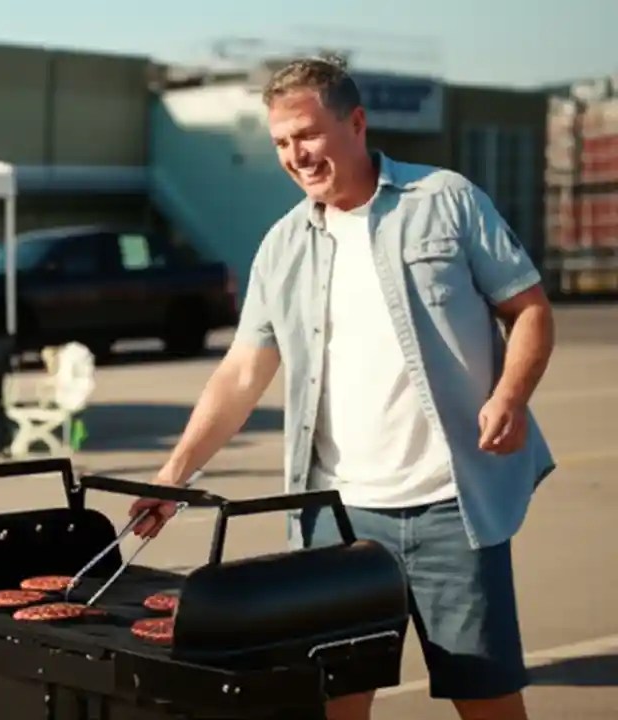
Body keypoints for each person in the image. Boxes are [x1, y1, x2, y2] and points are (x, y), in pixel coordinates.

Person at [128, 56, 555, 720]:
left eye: (308, 134)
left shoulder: (445, 200)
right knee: (333, 704)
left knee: (487, 702)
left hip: (451, 508)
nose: (295, 155)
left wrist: (510, 395)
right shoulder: (282, 246)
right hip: (336, 518)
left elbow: (528, 309)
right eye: (281, 142)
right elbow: (241, 372)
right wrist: (173, 476)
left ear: (356, 124)